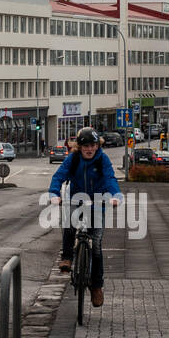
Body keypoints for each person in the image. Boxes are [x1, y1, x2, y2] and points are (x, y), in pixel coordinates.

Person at [49, 127, 123, 307]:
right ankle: (67, 257)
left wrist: (115, 195)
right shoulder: (73, 159)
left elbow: (110, 178)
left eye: (93, 145)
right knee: (68, 223)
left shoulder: (102, 159)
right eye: (85, 146)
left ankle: (96, 287)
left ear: (98, 146)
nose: (89, 149)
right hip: (76, 198)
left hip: (98, 202)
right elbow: (59, 176)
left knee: (96, 246)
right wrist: (54, 194)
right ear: (79, 147)